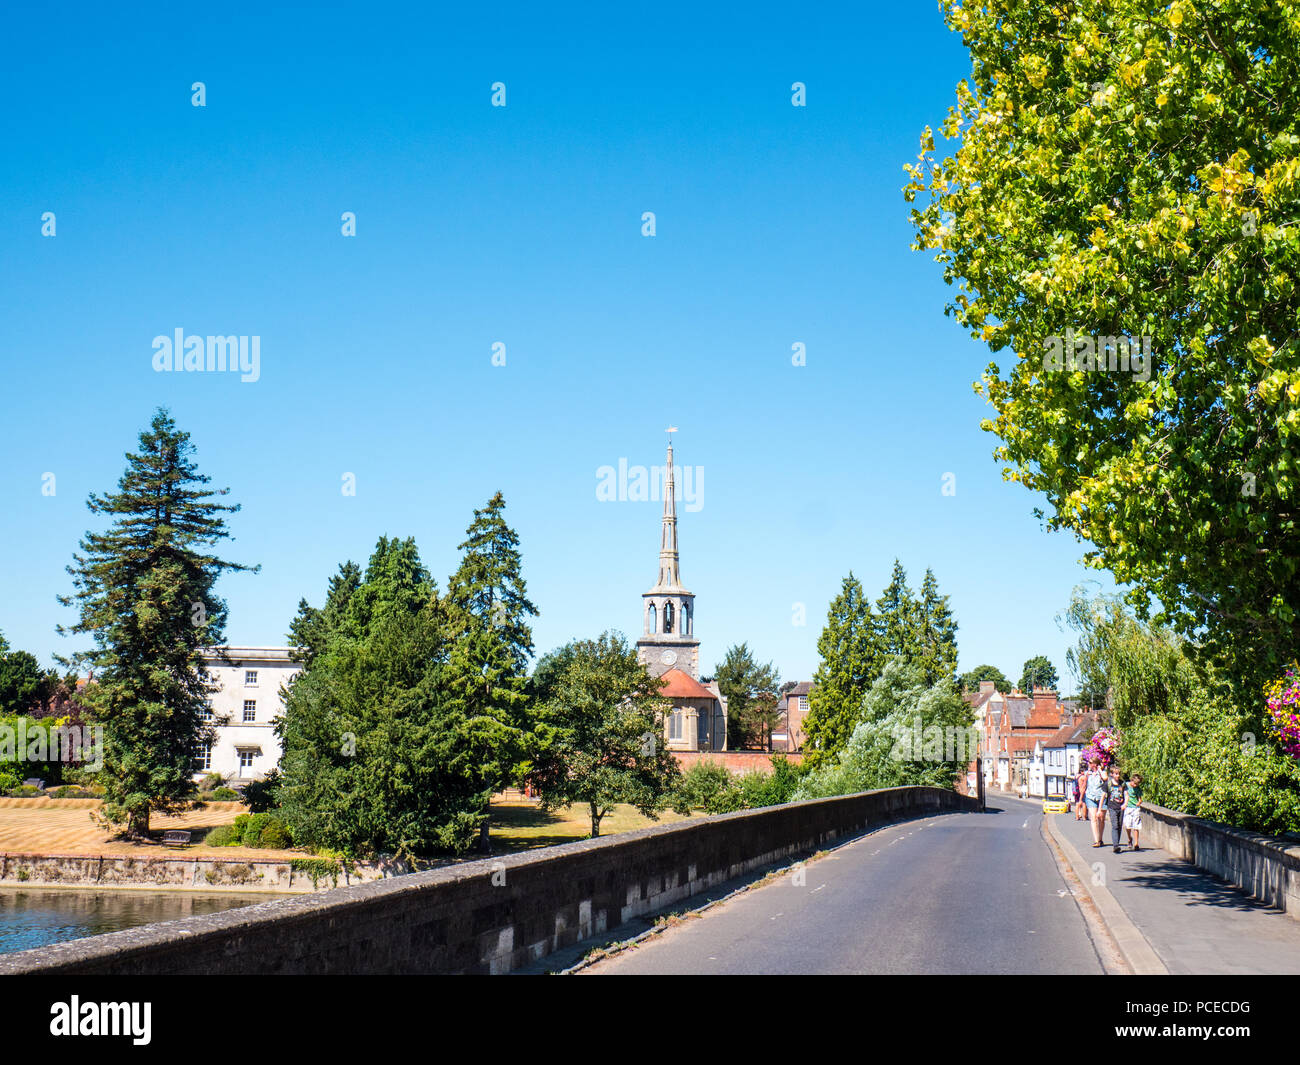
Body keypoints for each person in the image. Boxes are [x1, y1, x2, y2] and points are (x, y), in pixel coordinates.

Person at [1084, 758, 1107, 846]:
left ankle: (1100, 838)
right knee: (1093, 818)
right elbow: (1085, 785)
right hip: (1090, 797)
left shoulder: (1102, 772)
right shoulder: (1088, 773)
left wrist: (1100, 770)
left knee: (1101, 819)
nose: (1088, 764)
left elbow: (1105, 778)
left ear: (1095, 764)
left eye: (1090, 762)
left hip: (1102, 797)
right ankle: (1096, 840)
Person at [1106, 765, 1128, 853]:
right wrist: (1100, 809)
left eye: (1118, 774)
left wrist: (1125, 804)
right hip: (1112, 807)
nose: (1118, 776)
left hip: (1121, 807)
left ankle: (1117, 843)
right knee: (1114, 826)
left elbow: (1126, 795)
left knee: (1119, 826)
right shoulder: (1108, 784)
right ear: (1111, 774)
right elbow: (1104, 796)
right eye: (1116, 774)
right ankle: (1115, 846)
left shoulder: (1122, 784)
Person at [1124, 772, 1144, 851]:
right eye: (1135, 784)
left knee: (1136, 826)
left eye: (1137, 784)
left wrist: (1139, 802)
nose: (1135, 786)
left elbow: (1140, 798)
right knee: (1128, 825)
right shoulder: (1125, 785)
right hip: (1128, 807)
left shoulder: (1137, 788)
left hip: (1135, 808)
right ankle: (1129, 838)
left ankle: (1136, 843)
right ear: (1131, 781)